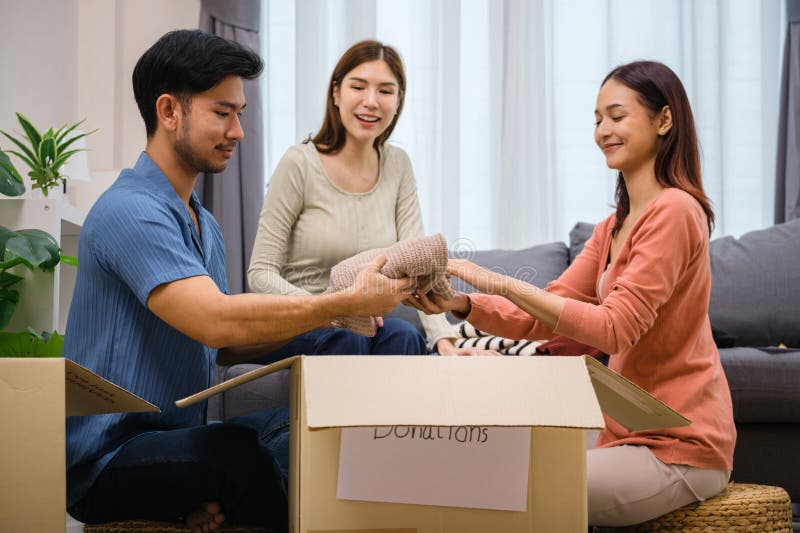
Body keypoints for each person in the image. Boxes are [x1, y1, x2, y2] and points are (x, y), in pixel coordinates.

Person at [64, 30, 414, 533]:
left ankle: (365, 486)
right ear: (169, 112)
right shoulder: (131, 211)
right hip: (108, 458)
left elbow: (222, 350)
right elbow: (216, 325)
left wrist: (341, 318)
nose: (238, 131)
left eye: (240, 115)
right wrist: (342, 299)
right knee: (237, 453)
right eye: (223, 113)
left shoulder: (203, 224)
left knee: (333, 389)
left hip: (173, 440)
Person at [407, 60, 736, 527]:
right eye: (598, 119)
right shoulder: (612, 228)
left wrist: (499, 281)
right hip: (623, 430)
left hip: (679, 446)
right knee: (478, 460)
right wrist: (463, 304)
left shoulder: (676, 211)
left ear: (664, 120)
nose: (603, 130)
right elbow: (542, 319)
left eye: (617, 116)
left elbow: (615, 329)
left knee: (503, 487)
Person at [247, 39, 493, 360]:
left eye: (386, 91)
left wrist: (446, 343)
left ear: (398, 101)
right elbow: (260, 272)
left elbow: (421, 268)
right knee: (346, 338)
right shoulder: (298, 163)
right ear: (336, 93)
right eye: (358, 87)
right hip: (306, 321)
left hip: (366, 323)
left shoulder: (398, 165)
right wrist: (326, 308)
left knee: (404, 336)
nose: (371, 101)